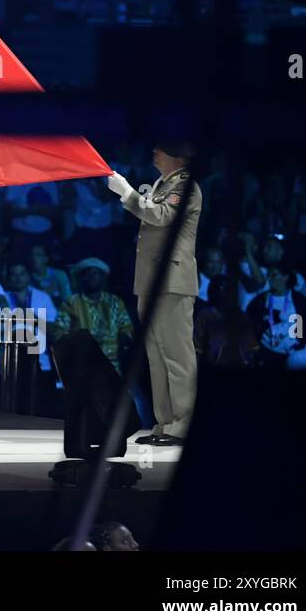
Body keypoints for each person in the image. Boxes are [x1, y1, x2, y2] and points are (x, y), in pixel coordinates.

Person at [107, 142, 202, 448]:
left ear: (177, 155)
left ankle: (184, 423)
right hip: (151, 280)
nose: (154, 152)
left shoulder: (187, 185)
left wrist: (127, 192)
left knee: (177, 355)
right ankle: (165, 422)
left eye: (161, 149)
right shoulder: (164, 183)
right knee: (157, 355)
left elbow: (161, 216)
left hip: (172, 281)